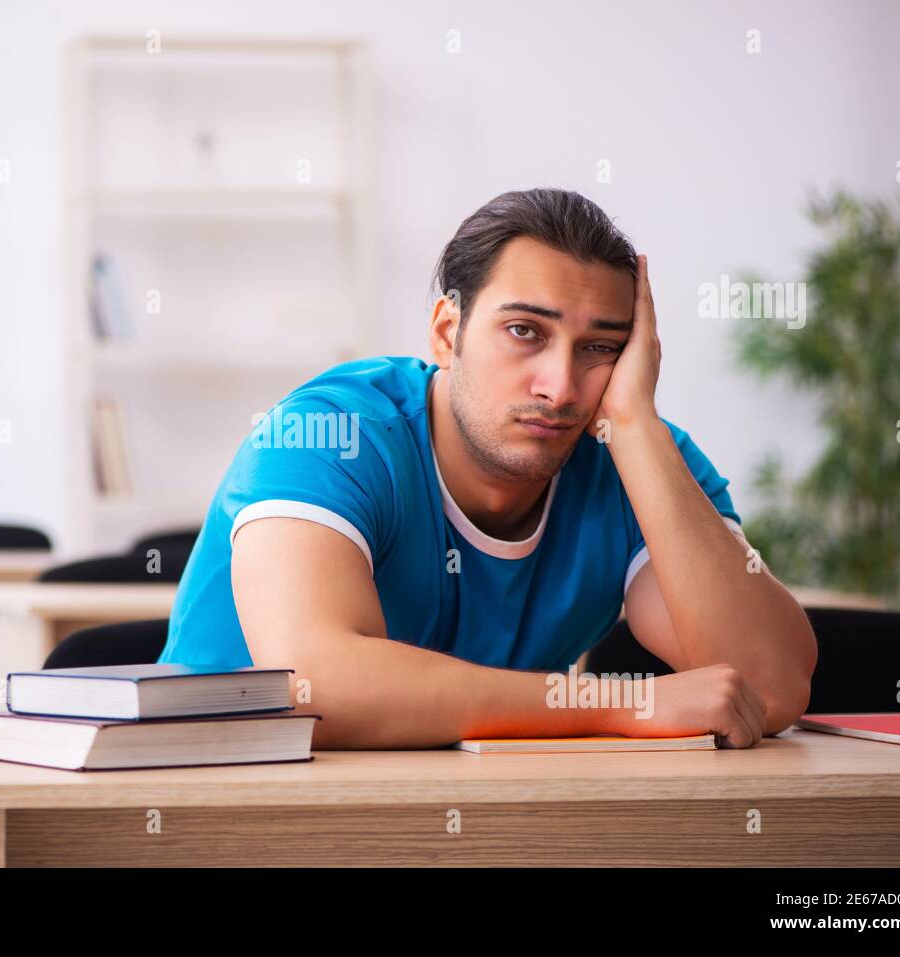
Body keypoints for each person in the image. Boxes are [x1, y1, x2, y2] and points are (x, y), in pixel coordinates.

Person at [158, 187, 817, 749]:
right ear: (448, 332)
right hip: (217, 811)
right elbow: (315, 681)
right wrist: (621, 704)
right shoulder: (331, 432)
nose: (559, 387)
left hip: (463, 825)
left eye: (599, 347)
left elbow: (765, 685)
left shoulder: (639, 454)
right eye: (526, 331)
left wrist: (637, 426)